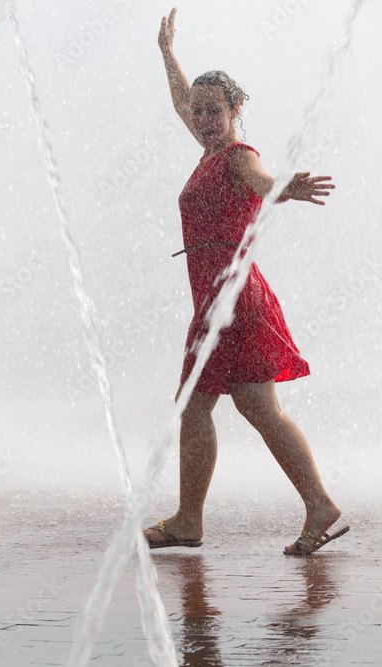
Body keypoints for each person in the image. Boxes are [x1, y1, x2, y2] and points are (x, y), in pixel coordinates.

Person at [145, 9, 348, 556]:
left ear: (236, 112)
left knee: (213, 408)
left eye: (217, 110)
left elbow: (262, 181)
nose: (205, 118)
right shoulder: (208, 148)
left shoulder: (236, 156)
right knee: (248, 410)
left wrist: (286, 187)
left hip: (234, 301)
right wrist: (167, 54)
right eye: (200, 111)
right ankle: (312, 506)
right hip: (217, 301)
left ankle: (196, 520)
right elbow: (181, 99)